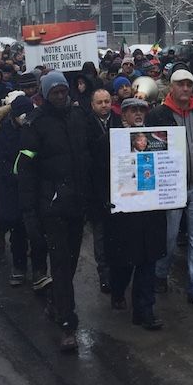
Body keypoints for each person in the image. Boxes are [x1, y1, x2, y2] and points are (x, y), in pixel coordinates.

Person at [17, 70, 94, 352]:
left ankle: (55, 303)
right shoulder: (35, 124)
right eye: (55, 92)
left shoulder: (78, 117)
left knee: (70, 263)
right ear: (46, 95)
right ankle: (67, 324)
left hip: (78, 204)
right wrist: (29, 212)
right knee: (60, 265)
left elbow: (93, 154)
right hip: (52, 206)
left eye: (63, 91)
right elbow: (24, 171)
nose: (60, 96)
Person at [147, 68, 193, 308]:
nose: (186, 89)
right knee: (168, 237)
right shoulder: (158, 115)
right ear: (171, 87)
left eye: (189, 84)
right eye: (181, 84)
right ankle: (160, 273)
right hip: (172, 187)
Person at [105, 97, 168, 330]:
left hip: (150, 209)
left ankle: (145, 310)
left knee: (148, 260)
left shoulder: (157, 138)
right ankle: (118, 290)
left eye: (142, 110)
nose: (138, 114)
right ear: (124, 116)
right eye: (133, 111)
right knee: (124, 261)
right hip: (125, 211)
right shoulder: (112, 140)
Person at [0, 94, 49, 288]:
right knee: (18, 230)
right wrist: (13, 174)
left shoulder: (37, 129)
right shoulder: (1, 132)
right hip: (12, 189)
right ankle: (19, 266)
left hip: (35, 188)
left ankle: (40, 270)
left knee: (37, 232)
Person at [85, 87, 114, 293]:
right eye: (100, 102)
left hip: (118, 185)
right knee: (101, 235)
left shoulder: (119, 121)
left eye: (107, 101)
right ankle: (104, 273)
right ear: (92, 105)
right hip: (96, 186)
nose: (104, 106)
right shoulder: (85, 124)